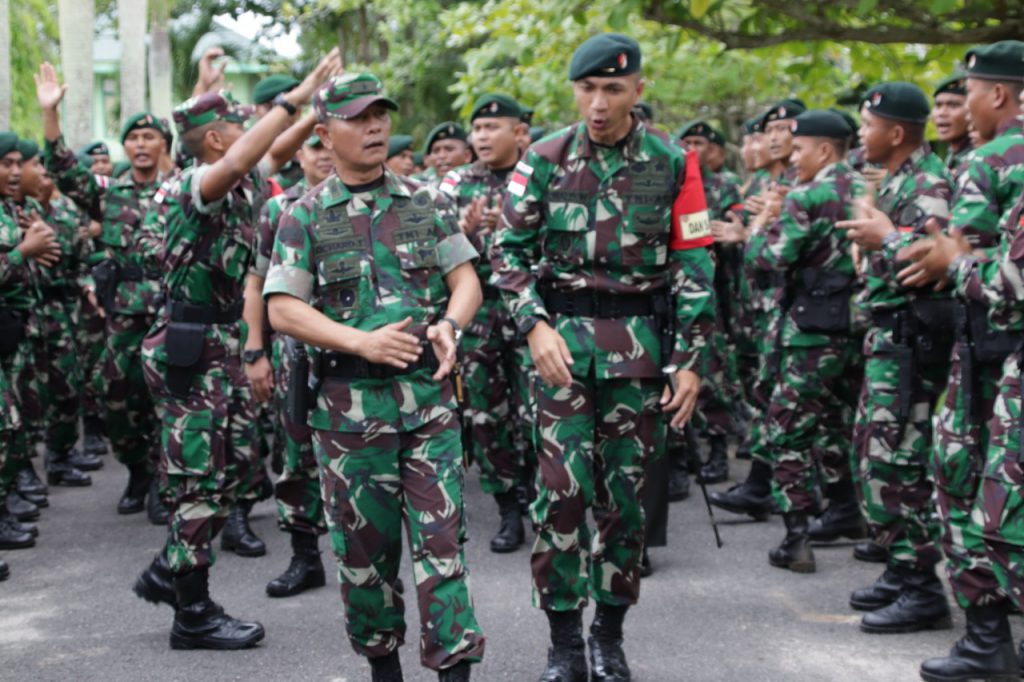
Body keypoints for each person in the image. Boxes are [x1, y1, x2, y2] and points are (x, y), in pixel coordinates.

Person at [491, 33, 714, 681]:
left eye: (612, 89)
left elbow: (695, 261)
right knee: (561, 496)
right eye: (587, 89)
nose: (598, 103)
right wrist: (533, 327)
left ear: (638, 90)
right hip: (560, 349)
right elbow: (509, 254)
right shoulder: (543, 157)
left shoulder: (674, 162)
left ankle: (608, 636)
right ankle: (564, 643)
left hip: (638, 356)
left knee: (625, 503)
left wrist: (692, 359)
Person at [265, 71, 485, 681]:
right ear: (324, 132)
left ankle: (454, 671)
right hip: (347, 415)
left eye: (380, 115)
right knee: (365, 558)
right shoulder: (302, 216)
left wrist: (451, 323)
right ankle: (383, 670)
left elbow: (465, 279)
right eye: (358, 117)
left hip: (428, 405)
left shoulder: (426, 199)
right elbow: (282, 307)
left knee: (444, 551)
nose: (375, 127)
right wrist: (359, 339)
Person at [129, 48, 342, 651]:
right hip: (191, 346)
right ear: (219, 138)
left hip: (220, 340)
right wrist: (295, 92)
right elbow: (256, 150)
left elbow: (274, 149)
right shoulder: (197, 185)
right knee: (198, 478)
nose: (252, 133)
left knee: (228, 471)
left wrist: (317, 110)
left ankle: (171, 569)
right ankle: (191, 612)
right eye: (240, 126)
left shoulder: (239, 173)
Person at [891, 40, 1024, 682]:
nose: (964, 105)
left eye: (969, 92)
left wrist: (946, 261)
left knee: (972, 490)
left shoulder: (993, 157)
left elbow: (964, 261)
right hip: (996, 353)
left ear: (997, 94)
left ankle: (987, 642)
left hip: (995, 354)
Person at [836, 81, 955, 633]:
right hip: (887, 341)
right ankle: (901, 568)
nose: (861, 135)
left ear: (897, 132)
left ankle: (921, 587)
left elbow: (924, 263)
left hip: (912, 346)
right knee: (876, 458)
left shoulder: (928, 184)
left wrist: (885, 238)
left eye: (867, 125)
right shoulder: (898, 180)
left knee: (896, 465)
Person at [37, 64, 167, 512]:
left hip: (173, 312)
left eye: (150, 137)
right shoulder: (110, 192)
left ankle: (162, 482)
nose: (141, 144)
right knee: (113, 398)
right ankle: (137, 469)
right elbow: (64, 170)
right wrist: (50, 114)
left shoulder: (185, 189)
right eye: (133, 138)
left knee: (170, 403)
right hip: (126, 315)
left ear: (164, 144)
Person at [745, 109, 865, 574]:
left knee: (787, 429)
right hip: (855, 328)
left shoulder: (809, 196)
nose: (793, 160)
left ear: (825, 150)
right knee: (836, 421)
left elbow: (769, 257)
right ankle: (845, 509)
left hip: (809, 333)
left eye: (799, 150)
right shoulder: (866, 189)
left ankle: (796, 536)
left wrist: (763, 223)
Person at [441, 92, 532, 554]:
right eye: (476, 129)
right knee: (487, 415)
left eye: (492, 128)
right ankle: (508, 507)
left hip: (530, 313)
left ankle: (539, 492)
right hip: (480, 317)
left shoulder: (537, 173)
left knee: (539, 410)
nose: (481, 136)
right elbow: (436, 244)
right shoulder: (457, 181)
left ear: (519, 132)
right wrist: (467, 231)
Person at [244, 133, 334, 597]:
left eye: (328, 145)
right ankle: (305, 557)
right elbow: (256, 280)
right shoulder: (281, 210)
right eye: (314, 147)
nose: (323, 155)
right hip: (298, 353)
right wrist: (255, 348)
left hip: (364, 352)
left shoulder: (378, 201)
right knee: (297, 455)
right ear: (300, 154)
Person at [709, 98, 806, 523]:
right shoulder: (769, 185)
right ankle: (771, 486)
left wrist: (749, 233)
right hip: (764, 307)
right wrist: (744, 231)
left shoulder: (806, 184)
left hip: (801, 312)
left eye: (783, 127)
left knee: (789, 407)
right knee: (772, 398)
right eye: (768, 130)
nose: (772, 137)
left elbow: (780, 250)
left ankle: (784, 496)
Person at [678, 120, 745, 485]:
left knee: (713, 372)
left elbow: (735, 224)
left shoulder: (723, 184)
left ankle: (718, 449)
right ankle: (684, 454)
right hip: (675, 286)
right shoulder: (671, 178)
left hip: (712, 289)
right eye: (685, 141)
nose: (691, 147)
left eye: (699, 142)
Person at [0, 131, 54, 562]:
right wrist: (22, 252)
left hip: (16, 328)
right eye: (6, 163)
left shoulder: (13, 210)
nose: (15, 172)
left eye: (20, 162)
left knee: (12, 421)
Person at [932, 74, 972, 174]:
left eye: (953, 105)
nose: (941, 113)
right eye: (938, 105)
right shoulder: (952, 154)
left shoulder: (980, 158)